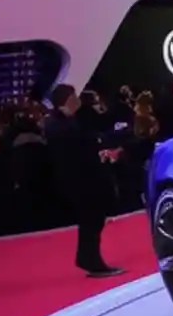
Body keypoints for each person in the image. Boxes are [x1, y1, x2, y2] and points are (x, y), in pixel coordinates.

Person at [43, 84, 125, 277]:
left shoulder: (62, 122)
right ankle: (91, 260)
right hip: (80, 181)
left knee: (93, 221)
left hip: (82, 179)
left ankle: (89, 258)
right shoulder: (60, 125)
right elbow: (78, 147)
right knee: (91, 220)